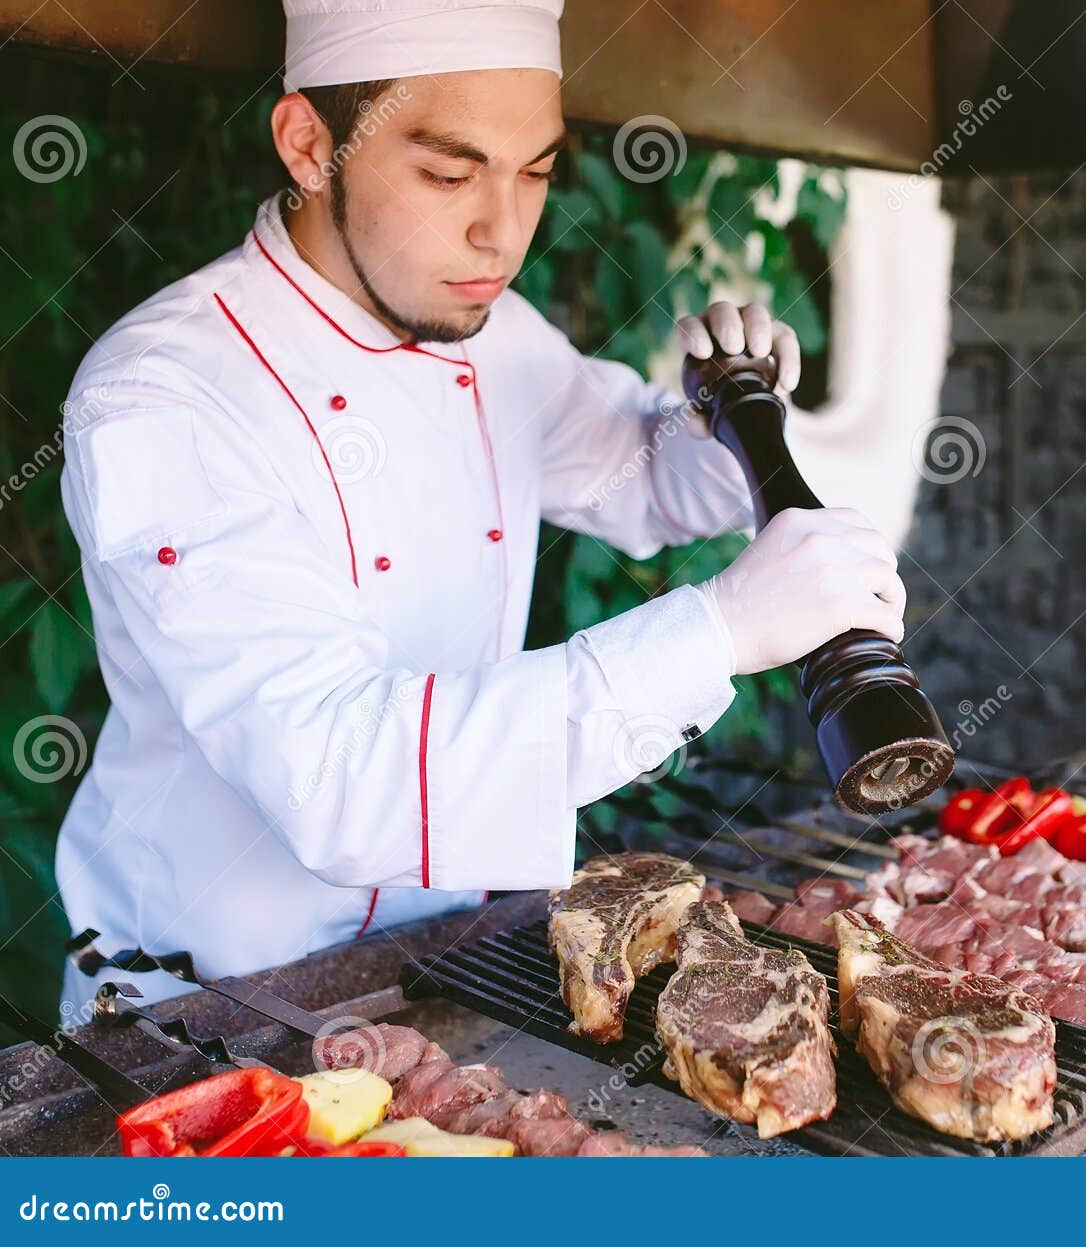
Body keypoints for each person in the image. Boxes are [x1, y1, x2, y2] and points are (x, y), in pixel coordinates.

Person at [56, 0, 905, 1011]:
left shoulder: (490, 334)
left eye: (536, 171)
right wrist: (717, 629)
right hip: (204, 1001)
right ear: (308, 144)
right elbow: (336, 777)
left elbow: (639, 479)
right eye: (449, 173)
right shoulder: (160, 397)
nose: (501, 230)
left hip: (433, 963)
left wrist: (728, 412)